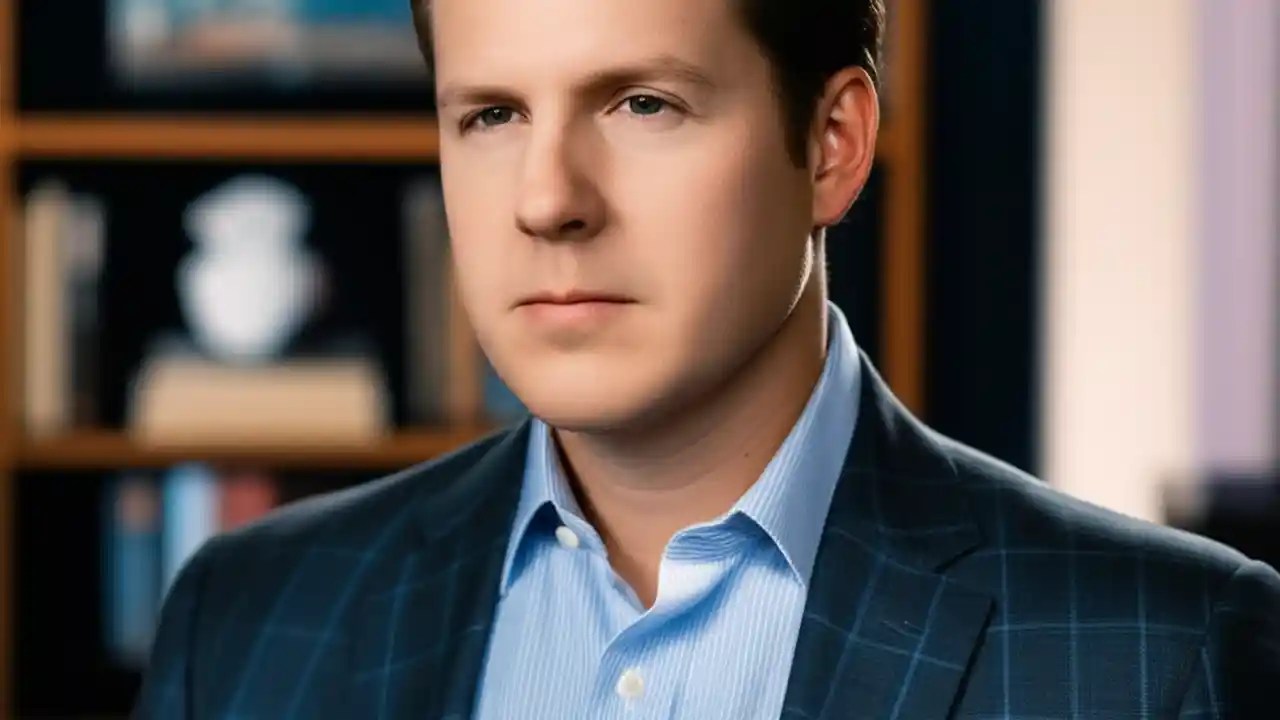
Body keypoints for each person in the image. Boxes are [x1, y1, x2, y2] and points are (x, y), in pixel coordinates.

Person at [133, 0, 1280, 717]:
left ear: (831, 146)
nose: (546, 202)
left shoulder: (1164, 654)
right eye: (490, 116)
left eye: (641, 103)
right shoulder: (243, 625)